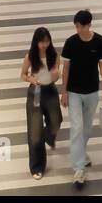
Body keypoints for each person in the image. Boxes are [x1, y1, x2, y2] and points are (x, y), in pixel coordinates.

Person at [60, 9, 102, 189]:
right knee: (77, 128)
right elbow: (65, 69)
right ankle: (79, 169)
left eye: (80, 26)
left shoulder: (99, 41)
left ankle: (81, 153)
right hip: (73, 92)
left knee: (87, 128)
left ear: (88, 25)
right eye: (76, 26)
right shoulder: (70, 43)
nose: (77, 29)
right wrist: (63, 92)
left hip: (91, 92)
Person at [21, 27, 62, 180]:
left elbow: (56, 77)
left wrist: (56, 75)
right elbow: (23, 75)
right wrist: (31, 79)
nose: (44, 45)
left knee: (56, 121)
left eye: (47, 41)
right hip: (35, 93)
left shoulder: (55, 55)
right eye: (41, 42)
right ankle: (37, 166)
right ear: (36, 42)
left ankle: (48, 136)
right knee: (34, 134)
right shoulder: (30, 56)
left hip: (50, 91)